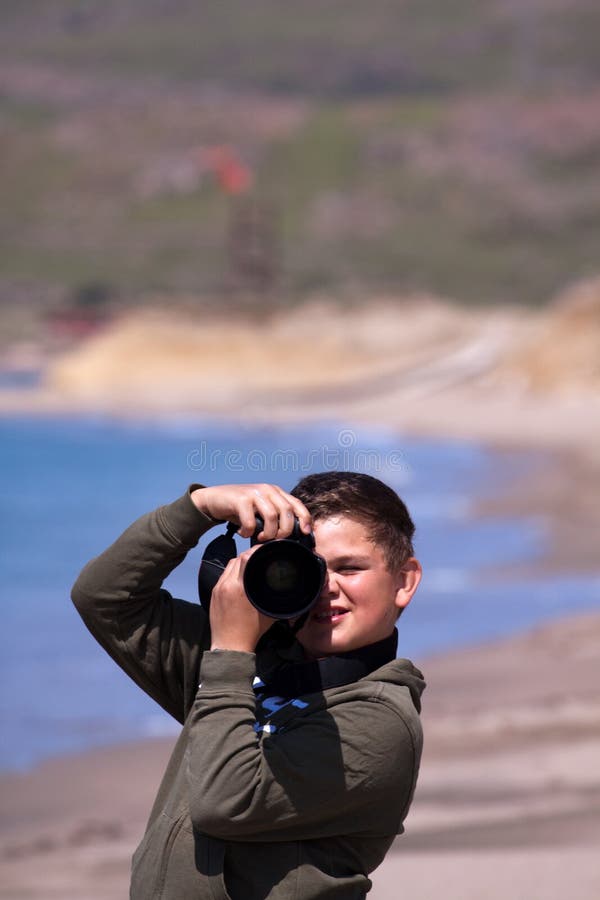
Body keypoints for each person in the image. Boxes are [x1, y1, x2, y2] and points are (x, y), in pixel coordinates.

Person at [72, 471, 425, 899]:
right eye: (309, 568)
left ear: (404, 581)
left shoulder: (380, 722)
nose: (325, 589)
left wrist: (230, 650)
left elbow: (225, 802)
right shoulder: (251, 664)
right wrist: (200, 509)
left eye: (349, 568)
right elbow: (104, 598)